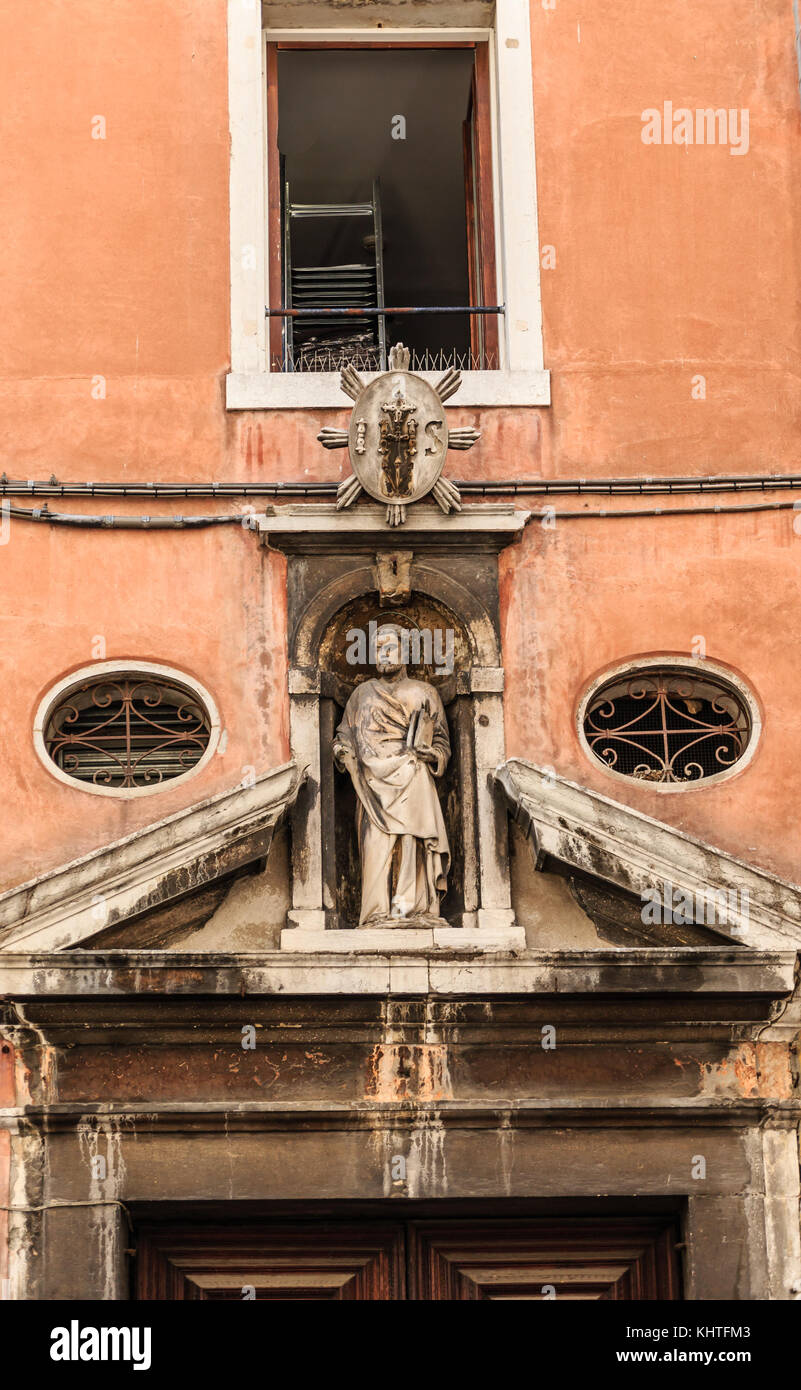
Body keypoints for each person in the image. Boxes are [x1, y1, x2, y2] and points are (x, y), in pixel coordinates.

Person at [333, 624, 451, 924]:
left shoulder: (425, 692)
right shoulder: (361, 694)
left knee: (411, 843)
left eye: (390, 647)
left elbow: (441, 742)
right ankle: (376, 914)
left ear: (405, 651)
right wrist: (341, 750)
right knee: (375, 846)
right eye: (377, 649)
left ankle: (410, 910)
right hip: (371, 784)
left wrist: (432, 754)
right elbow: (344, 734)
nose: (383, 654)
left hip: (413, 776)